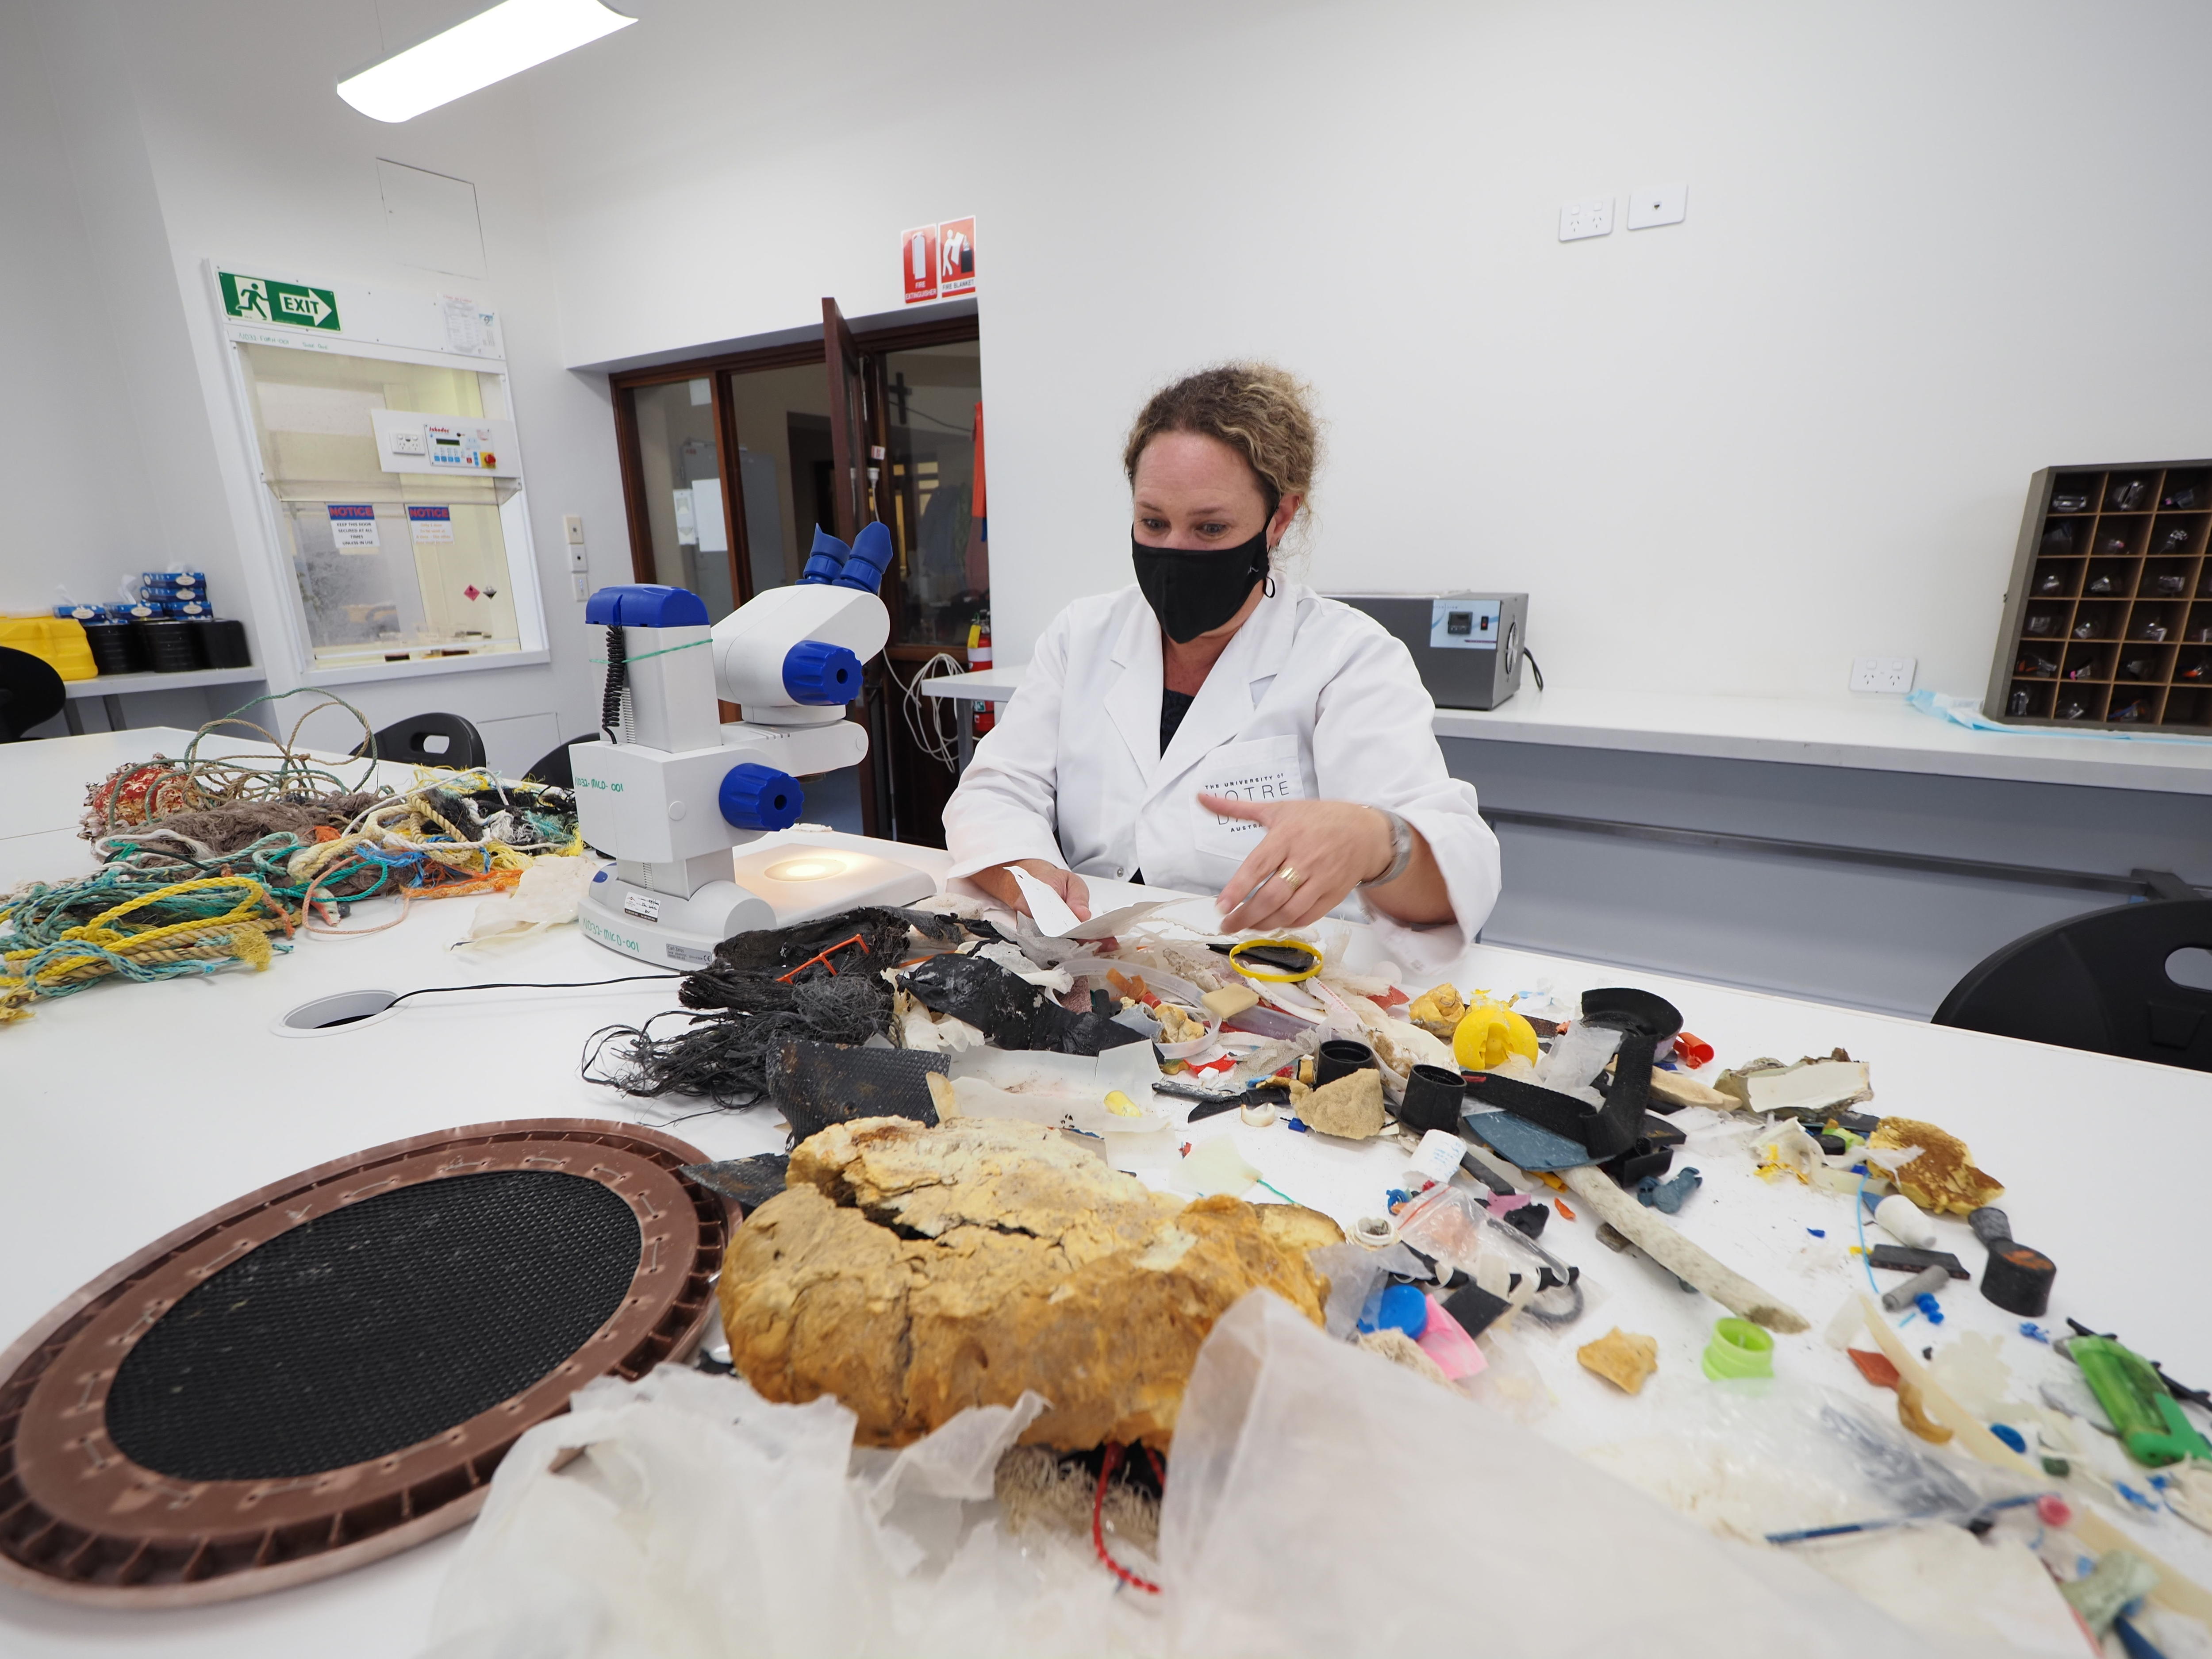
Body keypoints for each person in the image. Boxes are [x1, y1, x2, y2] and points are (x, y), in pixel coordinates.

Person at [942, 363, 1500, 964]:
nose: (1175, 553)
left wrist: (1376, 841)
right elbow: (995, 790)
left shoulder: (1347, 656)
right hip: (1092, 965)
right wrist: (1026, 873)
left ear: (1279, 520)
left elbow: (1462, 867)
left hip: (1274, 988)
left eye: (1210, 528)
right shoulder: (1083, 635)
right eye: (1153, 522)